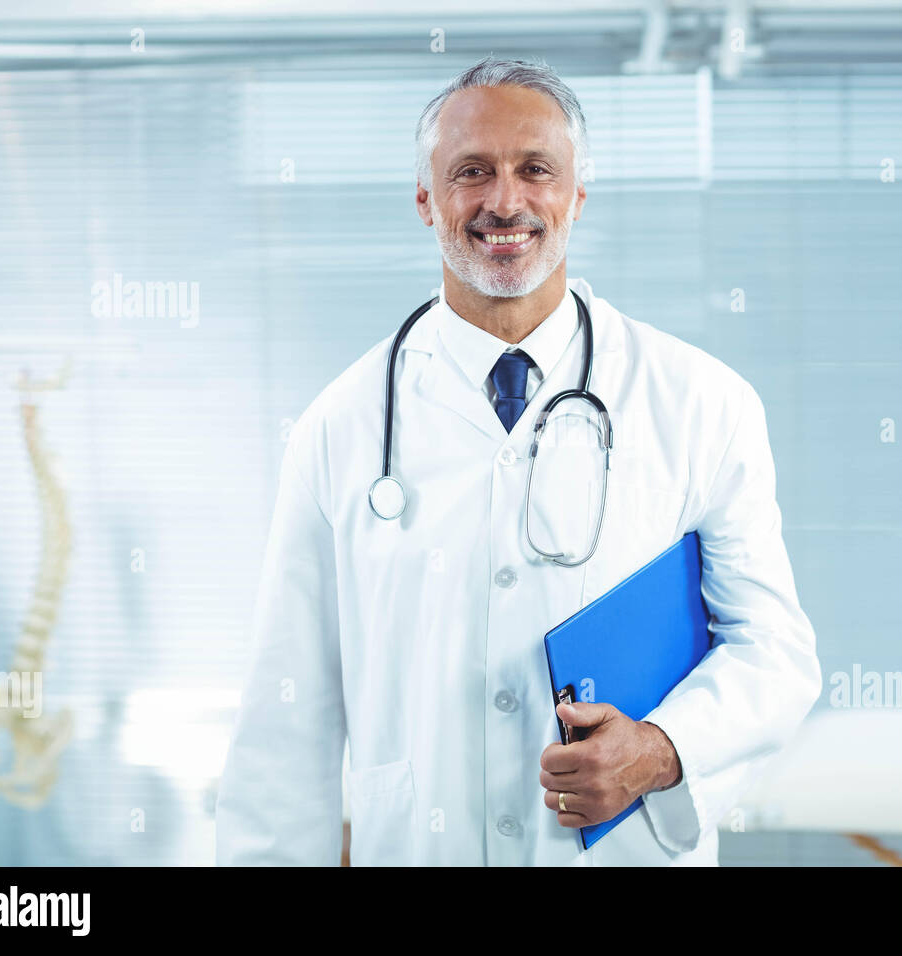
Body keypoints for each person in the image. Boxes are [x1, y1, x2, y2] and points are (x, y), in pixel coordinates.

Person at [215, 55, 821, 866]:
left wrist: (662, 749)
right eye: (472, 172)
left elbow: (775, 652)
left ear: (577, 194)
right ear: (426, 200)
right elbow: (287, 720)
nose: (506, 201)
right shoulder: (338, 427)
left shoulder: (704, 404)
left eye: (537, 170)